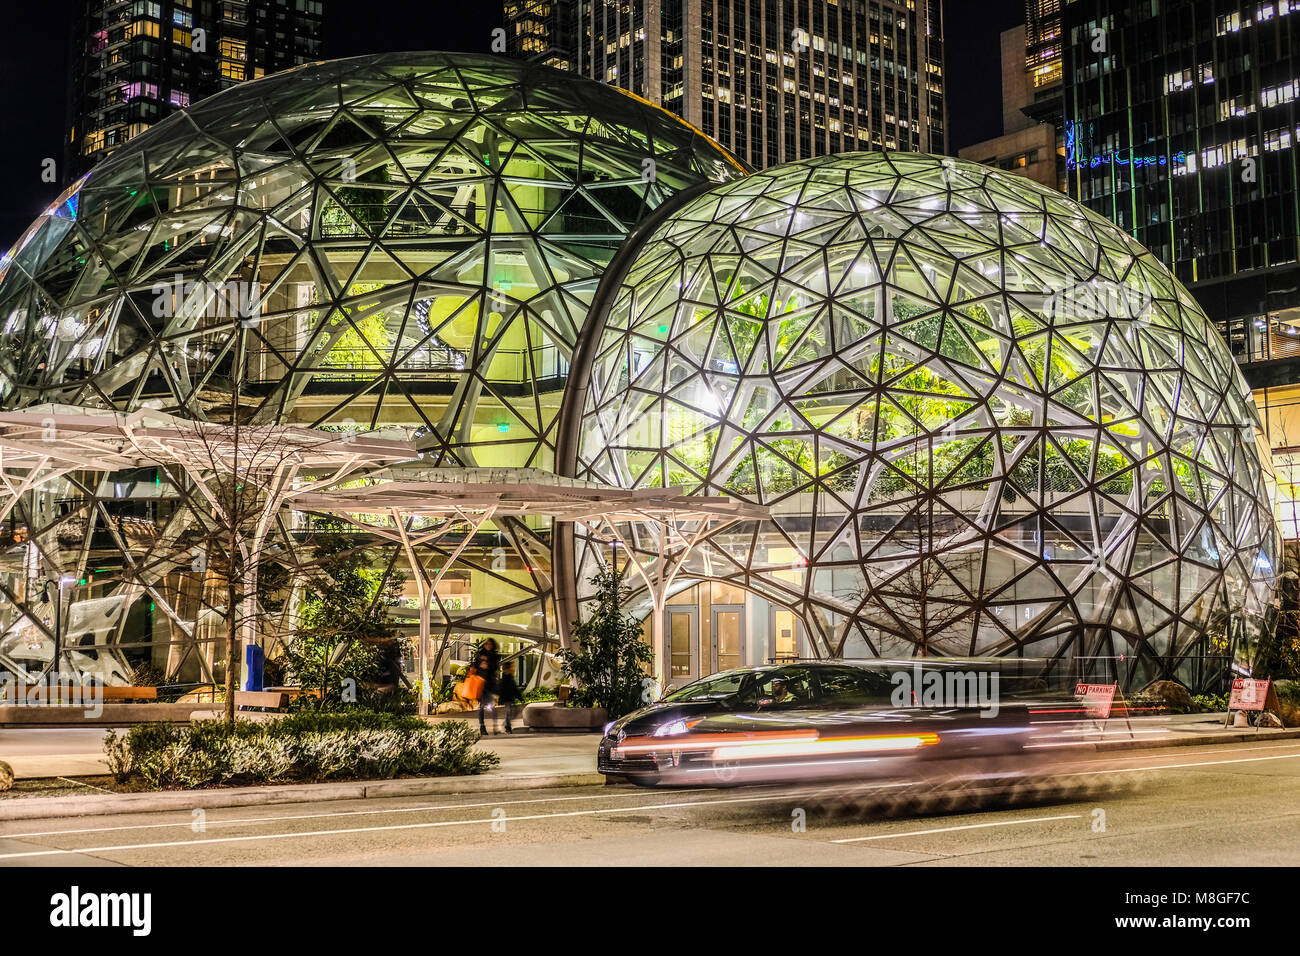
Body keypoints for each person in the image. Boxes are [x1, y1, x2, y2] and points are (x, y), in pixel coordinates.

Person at [476, 638, 501, 734]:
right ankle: (482, 726)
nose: (488, 645)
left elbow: (495, 668)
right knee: (481, 706)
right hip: (481, 684)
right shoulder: (480, 655)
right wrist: (480, 665)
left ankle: (495, 726)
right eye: (487, 644)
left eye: (490, 644)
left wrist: (488, 664)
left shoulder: (495, 656)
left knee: (492, 706)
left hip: (490, 684)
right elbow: (474, 667)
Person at [496, 659, 523, 734]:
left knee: (513, 712)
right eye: (512, 668)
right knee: (509, 712)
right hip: (507, 698)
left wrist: (519, 697)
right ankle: (508, 726)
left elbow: (515, 689)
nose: (513, 669)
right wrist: (500, 699)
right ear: (507, 669)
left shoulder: (510, 678)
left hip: (510, 698)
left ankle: (507, 724)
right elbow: (501, 690)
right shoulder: (505, 679)